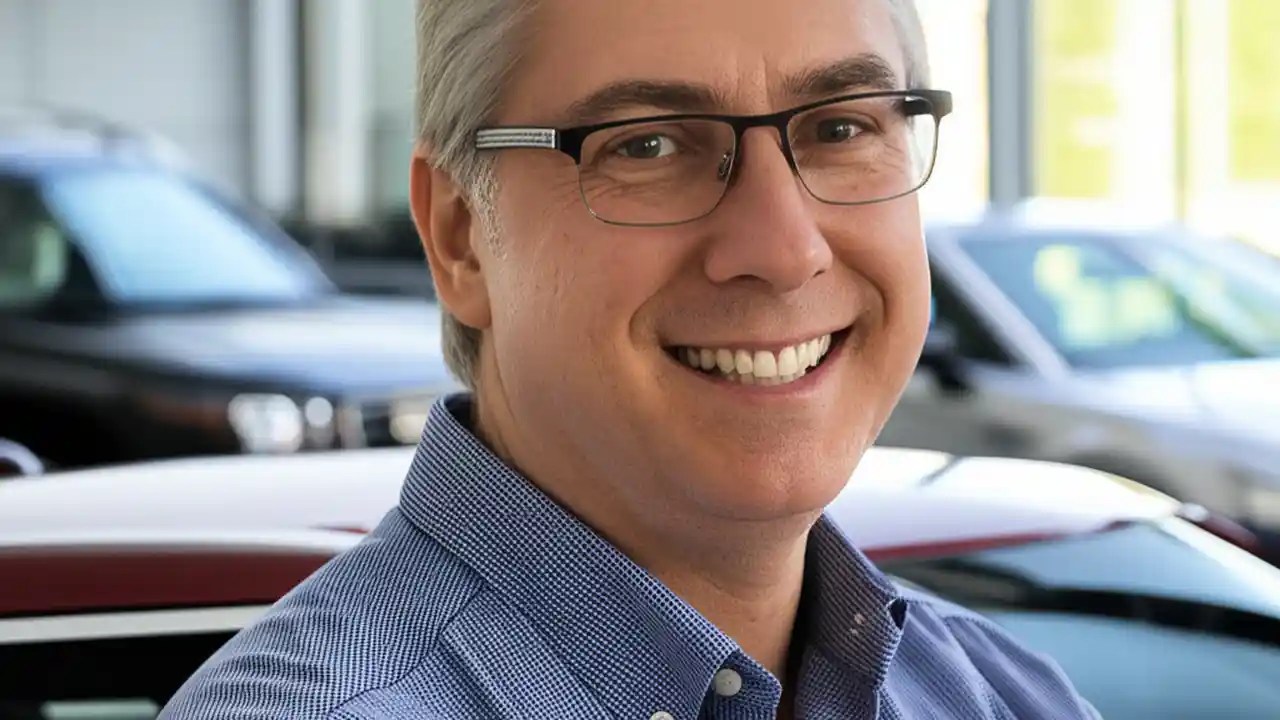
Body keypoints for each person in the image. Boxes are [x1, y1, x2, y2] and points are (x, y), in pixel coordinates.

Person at [160, 0, 1100, 717]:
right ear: (460, 237)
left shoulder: (1001, 694)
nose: (783, 249)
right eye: (647, 145)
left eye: (842, 128)